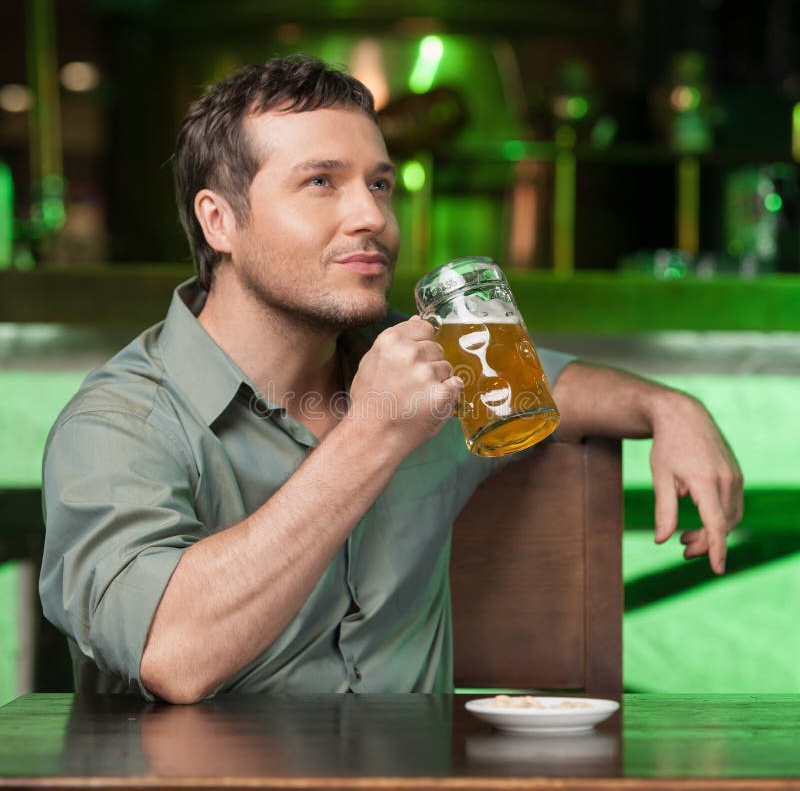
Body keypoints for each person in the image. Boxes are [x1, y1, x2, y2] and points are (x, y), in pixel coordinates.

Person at [40, 55, 742, 704]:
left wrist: (668, 406)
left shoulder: (424, 361)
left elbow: (556, 386)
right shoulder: (119, 423)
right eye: (321, 182)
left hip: (422, 774)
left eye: (380, 183)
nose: (373, 216)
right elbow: (171, 655)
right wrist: (373, 431)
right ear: (219, 221)